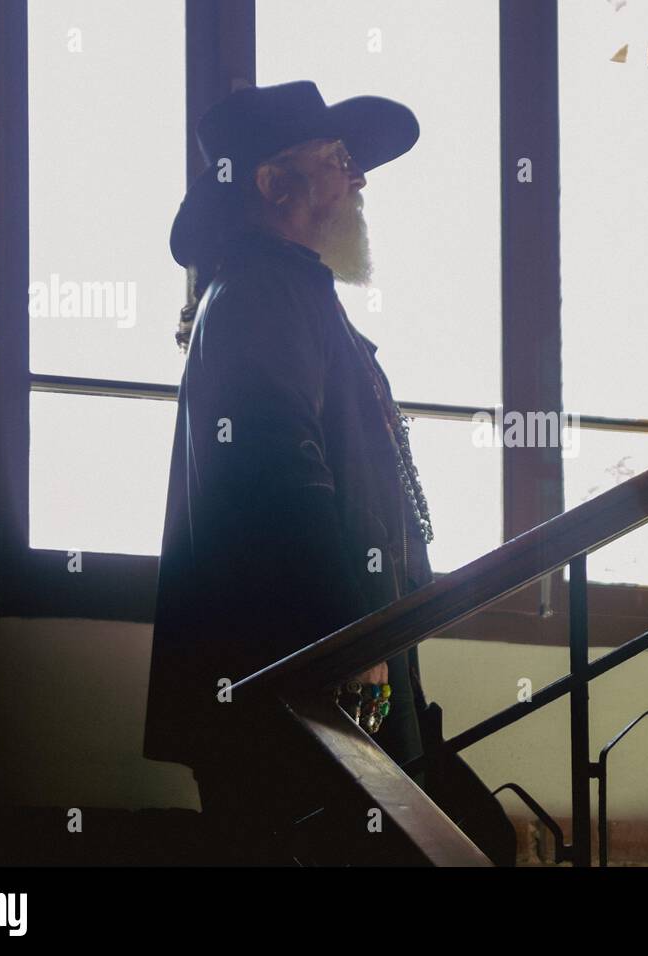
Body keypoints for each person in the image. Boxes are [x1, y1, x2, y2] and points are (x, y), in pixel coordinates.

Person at [142, 80, 434, 865]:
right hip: (303, 684)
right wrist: (352, 640)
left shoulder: (288, 293)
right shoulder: (261, 293)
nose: (360, 178)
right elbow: (279, 480)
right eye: (340, 159)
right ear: (275, 184)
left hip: (327, 674)